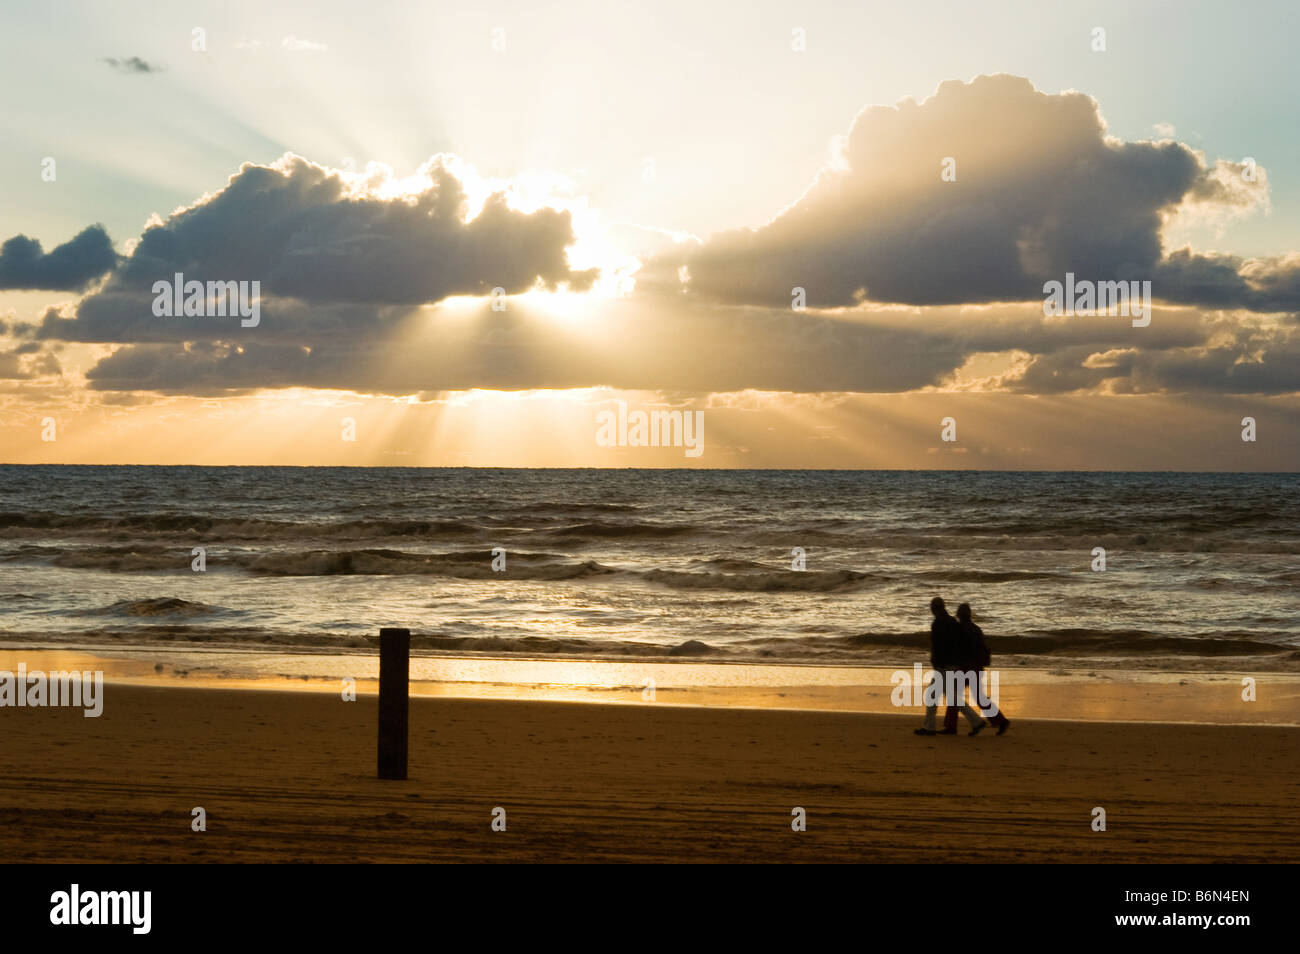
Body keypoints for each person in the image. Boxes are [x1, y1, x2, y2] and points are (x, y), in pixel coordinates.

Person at [915, 596, 985, 736]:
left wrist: (936, 662)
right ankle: (976, 721)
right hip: (954, 664)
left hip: (943, 666)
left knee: (934, 696)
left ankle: (930, 728)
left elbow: (938, 647)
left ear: (934, 608)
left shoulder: (938, 623)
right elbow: (960, 643)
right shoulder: (952, 622)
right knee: (946, 697)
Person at [955, 602, 1009, 736]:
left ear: (959, 615)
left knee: (954, 695)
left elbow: (958, 649)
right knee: (978, 696)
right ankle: (1000, 720)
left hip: (965, 666)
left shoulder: (959, 629)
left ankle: (951, 726)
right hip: (977, 666)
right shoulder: (976, 629)